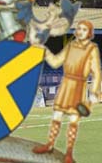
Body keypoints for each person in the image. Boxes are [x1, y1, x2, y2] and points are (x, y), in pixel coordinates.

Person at [33, 21, 100, 161]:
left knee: (73, 120)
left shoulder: (92, 49)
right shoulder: (70, 46)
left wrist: (94, 93)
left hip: (79, 86)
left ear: (89, 33)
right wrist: (45, 51)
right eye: (79, 29)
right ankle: (50, 144)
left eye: (84, 29)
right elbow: (56, 62)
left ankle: (69, 153)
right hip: (66, 84)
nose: (80, 31)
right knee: (56, 116)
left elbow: (96, 72)